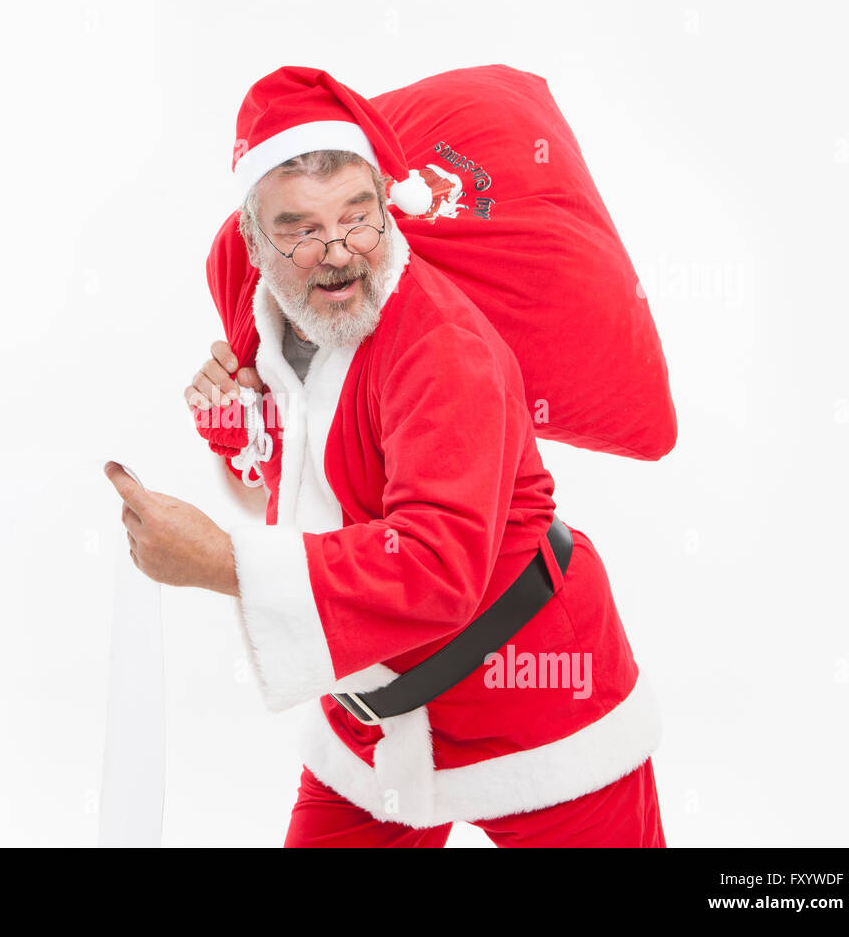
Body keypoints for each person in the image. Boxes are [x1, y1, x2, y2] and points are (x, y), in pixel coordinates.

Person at [104, 66, 665, 847]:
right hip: (376, 723)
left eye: (357, 216)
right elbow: (301, 488)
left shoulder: (444, 351)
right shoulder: (281, 322)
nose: (337, 253)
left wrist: (221, 563)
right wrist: (239, 424)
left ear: (388, 209)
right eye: (299, 227)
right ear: (253, 241)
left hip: (541, 701)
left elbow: (435, 565)